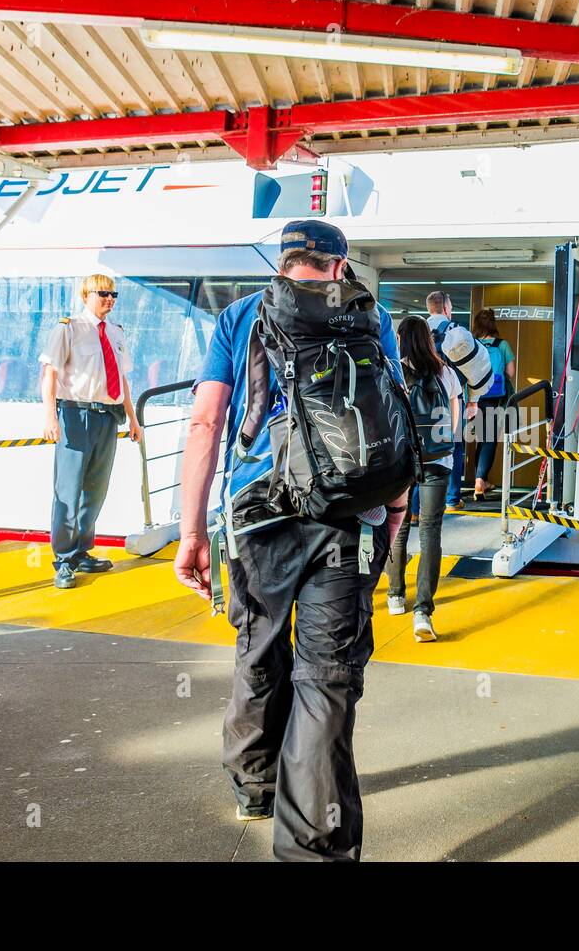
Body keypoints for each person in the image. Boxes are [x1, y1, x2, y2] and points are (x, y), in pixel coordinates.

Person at [175, 219, 406, 862]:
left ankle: (254, 783)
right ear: (339, 266)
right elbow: (390, 414)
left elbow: (204, 422)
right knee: (326, 679)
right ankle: (314, 847)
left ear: (281, 264)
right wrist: (395, 509)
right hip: (346, 512)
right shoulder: (368, 315)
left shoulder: (240, 317)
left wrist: (192, 531)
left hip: (256, 513)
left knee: (259, 646)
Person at [38, 273, 142, 590]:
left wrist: (132, 418)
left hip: (107, 416)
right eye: (103, 293)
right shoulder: (69, 328)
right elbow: (50, 372)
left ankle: (82, 550)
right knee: (68, 490)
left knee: (96, 489)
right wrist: (50, 417)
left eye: (114, 294)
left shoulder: (116, 332)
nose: (109, 299)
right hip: (75, 413)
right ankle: (64, 559)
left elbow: (122, 379)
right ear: (86, 294)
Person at [386, 316, 460, 642]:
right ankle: (423, 612)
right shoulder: (445, 371)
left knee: (399, 526)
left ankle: (395, 595)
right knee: (430, 530)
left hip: (402, 461)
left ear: (401, 338)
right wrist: (447, 442)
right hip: (438, 460)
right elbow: (456, 412)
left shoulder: (394, 370)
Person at [425, 290, 479, 510]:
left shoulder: (416, 329)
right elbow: (472, 368)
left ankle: (415, 509)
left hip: (421, 400)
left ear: (429, 308)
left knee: (422, 449)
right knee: (454, 448)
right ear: (447, 309)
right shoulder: (457, 332)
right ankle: (451, 499)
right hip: (451, 399)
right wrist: (473, 400)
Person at [470, 307, 516, 501]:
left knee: (482, 438)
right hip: (494, 396)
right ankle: (480, 481)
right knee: (489, 439)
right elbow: (511, 372)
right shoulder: (502, 345)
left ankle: (483, 479)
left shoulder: (472, 344)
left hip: (474, 397)